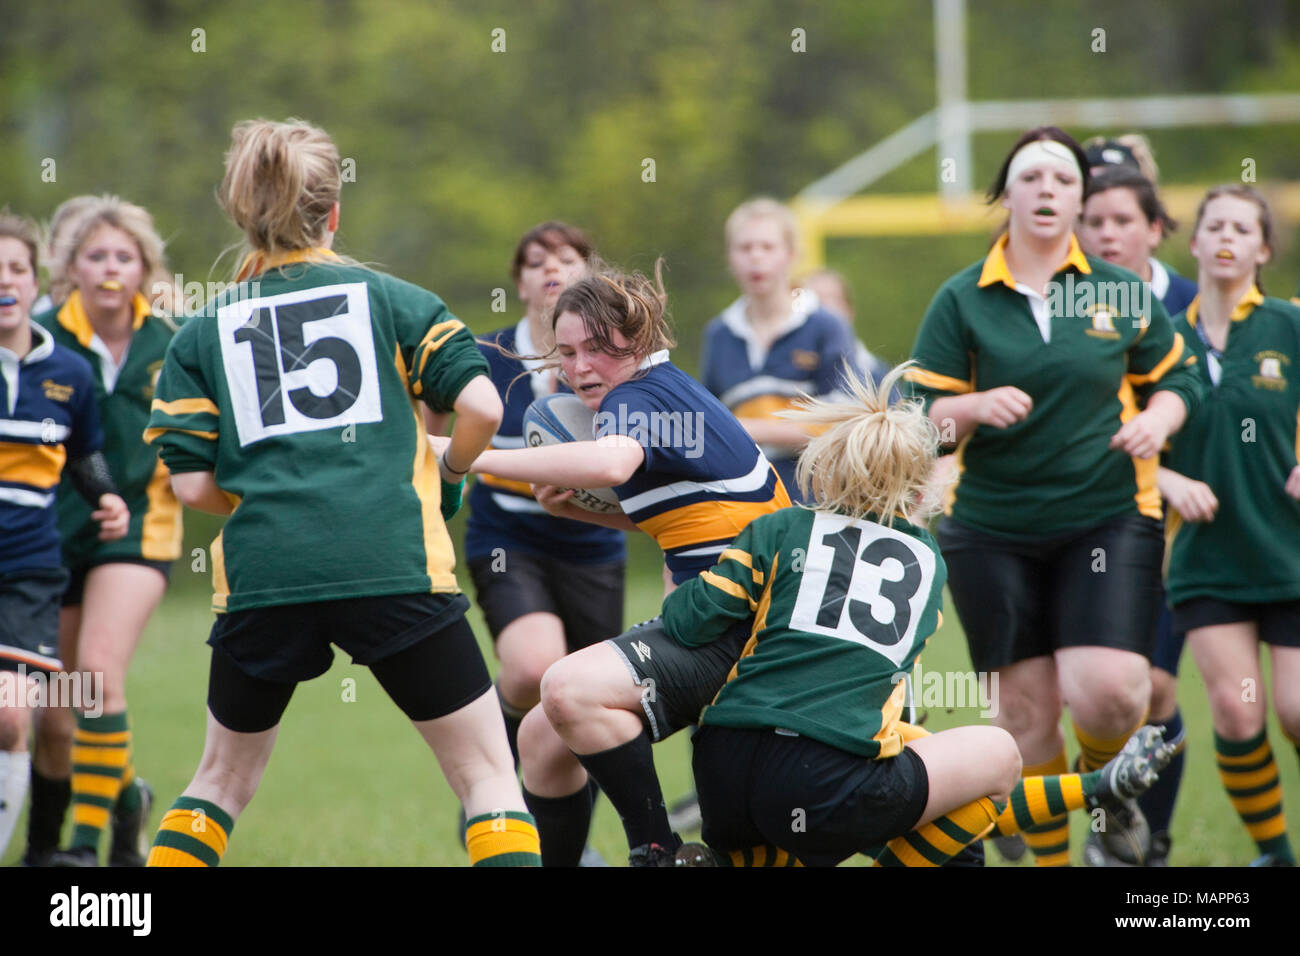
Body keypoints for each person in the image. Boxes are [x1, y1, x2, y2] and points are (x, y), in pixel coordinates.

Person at [141, 118, 538, 866]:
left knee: (219, 783)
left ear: (242, 213)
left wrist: (277, 496)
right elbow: (483, 407)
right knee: (487, 776)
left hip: (265, 575)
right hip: (392, 559)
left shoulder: (197, 333)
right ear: (333, 213)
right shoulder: (395, 299)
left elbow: (190, 482)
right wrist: (447, 475)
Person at [664, 363, 1173, 866]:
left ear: (826, 465)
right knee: (989, 760)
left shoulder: (780, 527)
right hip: (821, 782)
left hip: (722, 766)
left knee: (915, 799)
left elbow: (690, 621)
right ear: (917, 483)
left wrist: (679, 553)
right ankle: (1097, 785)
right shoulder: (926, 559)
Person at [904, 127, 1202, 867]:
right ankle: (1056, 862)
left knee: (1111, 692)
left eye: (1062, 180)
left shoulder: (1118, 289)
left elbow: (1181, 377)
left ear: (1080, 199)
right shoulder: (961, 298)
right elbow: (917, 423)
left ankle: (1107, 787)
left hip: (1105, 513)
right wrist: (969, 409)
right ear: (1007, 194)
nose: (1046, 190)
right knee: (1026, 718)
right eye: (1030, 177)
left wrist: (1160, 418)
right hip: (992, 527)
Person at [436, 260, 792, 865]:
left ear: (640, 339)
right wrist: (579, 514)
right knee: (541, 737)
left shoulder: (639, 395)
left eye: (598, 348)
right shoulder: (667, 391)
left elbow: (609, 466)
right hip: (740, 614)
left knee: (566, 688)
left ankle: (655, 851)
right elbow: (688, 512)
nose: (578, 368)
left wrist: (468, 454)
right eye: (567, 352)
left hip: (752, 629)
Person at [23, 197, 182, 867]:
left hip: (140, 527)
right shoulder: (38, 337)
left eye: (125, 256)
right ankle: (124, 804)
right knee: (58, 713)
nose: (111, 268)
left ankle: (82, 855)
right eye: (96, 256)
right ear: (70, 268)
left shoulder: (171, 342)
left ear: (145, 267)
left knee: (96, 675)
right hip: (50, 531)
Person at [459, 222, 624, 860]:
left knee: (586, 704)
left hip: (594, 548)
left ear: (590, 270)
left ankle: (565, 842)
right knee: (532, 670)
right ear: (519, 281)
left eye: (565, 257)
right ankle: (489, 782)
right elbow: (433, 411)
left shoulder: (614, 361)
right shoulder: (487, 355)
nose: (549, 268)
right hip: (508, 540)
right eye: (533, 261)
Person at [1161, 185, 1300, 867]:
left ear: (1262, 249)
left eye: (1241, 229)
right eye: (1213, 225)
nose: (1225, 237)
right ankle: (1276, 855)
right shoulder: (1164, 340)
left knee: (1297, 712)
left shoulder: (1288, 323)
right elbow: (1120, 441)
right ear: (1193, 243)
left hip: (1289, 552)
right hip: (1206, 561)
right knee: (1240, 715)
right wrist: (1168, 481)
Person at [0, 210, 128, 861]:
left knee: (14, 717)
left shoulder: (69, 374)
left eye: (16, 269)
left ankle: (40, 854)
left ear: (36, 279)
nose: (4, 281)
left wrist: (107, 497)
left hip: (27, 573)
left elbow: (83, 454)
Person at [1078, 165, 1197, 865]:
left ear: (1155, 227)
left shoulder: (1185, 303)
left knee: (1151, 687)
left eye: (1123, 219)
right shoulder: (1059, 305)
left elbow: (1208, 410)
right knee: (1095, 695)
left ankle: (1150, 838)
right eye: (1093, 220)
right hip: (1082, 522)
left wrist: (1176, 474)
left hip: (1171, 527)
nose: (1107, 233)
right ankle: (1098, 824)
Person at [701, 198, 862, 503]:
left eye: (767, 246)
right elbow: (710, 425)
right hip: (743, 504)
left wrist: (745, 429)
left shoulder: (827, 326)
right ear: (730, 257)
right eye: (745, 247)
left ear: (791, 255)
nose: (755, 257)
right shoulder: (719, 333)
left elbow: (844, 423)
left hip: (818, 503)